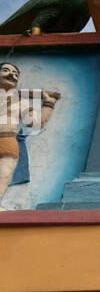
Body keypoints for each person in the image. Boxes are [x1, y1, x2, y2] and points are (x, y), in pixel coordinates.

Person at [0, 61, 61, 204]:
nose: (12, 75)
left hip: (8, 143)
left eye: (16, 74)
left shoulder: (20, 101)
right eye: (6, 71)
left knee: (3, 176)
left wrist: (48, 103)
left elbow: (36, 123)